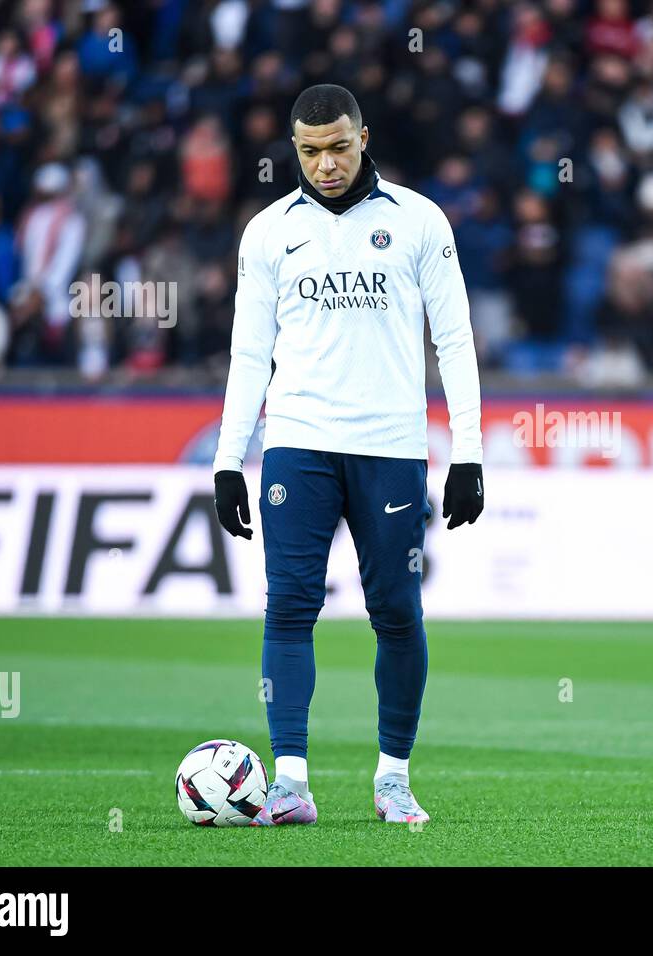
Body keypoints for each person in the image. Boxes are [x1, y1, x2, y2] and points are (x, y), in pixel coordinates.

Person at [212, 84, 484, 825]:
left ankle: (393, 778)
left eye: (337, 146)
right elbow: (249, 351)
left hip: (391, 449)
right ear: (293, 149)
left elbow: (453, 337)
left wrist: (469, 452)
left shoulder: (420, 220)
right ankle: (291, 783)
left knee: (396, 612)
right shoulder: (268, 232)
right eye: (308, 151)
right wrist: (228, 458)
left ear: (364, 138)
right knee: (288, 609)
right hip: (296, 445)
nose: (325, 163)